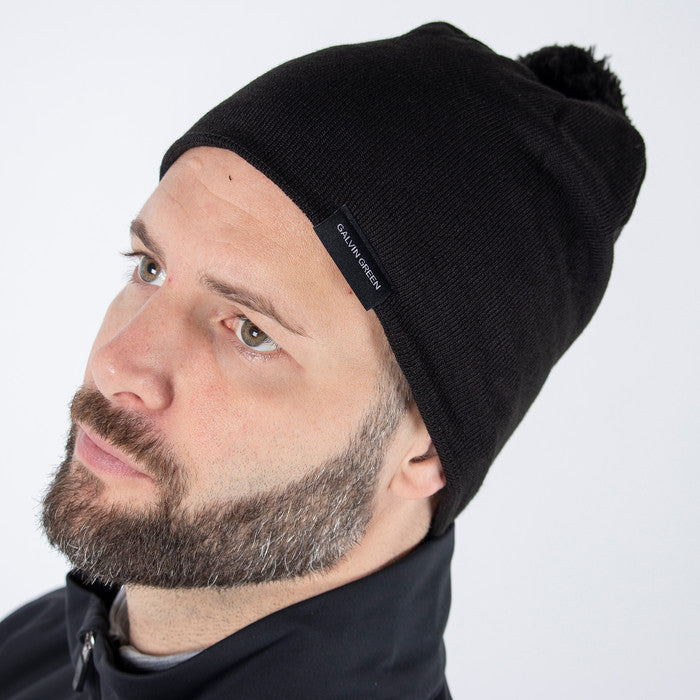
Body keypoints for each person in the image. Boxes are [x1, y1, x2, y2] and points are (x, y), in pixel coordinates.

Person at [0, 20, 645, 699]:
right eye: (150, 267)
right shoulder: (46, 645)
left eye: (251, 331)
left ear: (425, 447)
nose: (117, 365)